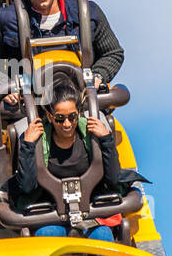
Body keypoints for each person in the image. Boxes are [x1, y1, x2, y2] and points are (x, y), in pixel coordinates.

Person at [14, 80, 119, 240]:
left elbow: (113, 179)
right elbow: (27, 186)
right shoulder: (37, 140)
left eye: (72, 117)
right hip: (51, 215)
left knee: (103, 236)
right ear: (49, 116)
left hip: (90, 213)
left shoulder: (90, 135)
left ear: (78, 113)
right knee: (47, 236)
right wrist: (28, 145)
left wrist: (106, 140)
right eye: (59, 119)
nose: (67, 124)